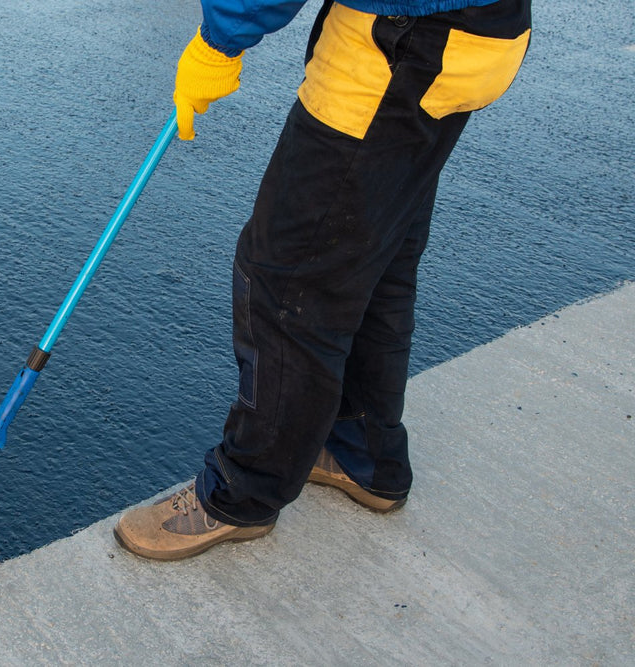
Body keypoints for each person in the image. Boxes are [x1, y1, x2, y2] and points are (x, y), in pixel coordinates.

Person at [114, 0, 531, 560]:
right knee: (374, 261)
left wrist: (220, 42)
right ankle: (361, 452)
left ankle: (244, 492)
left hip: (397, 49)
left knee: (288, 281)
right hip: (470, 34)